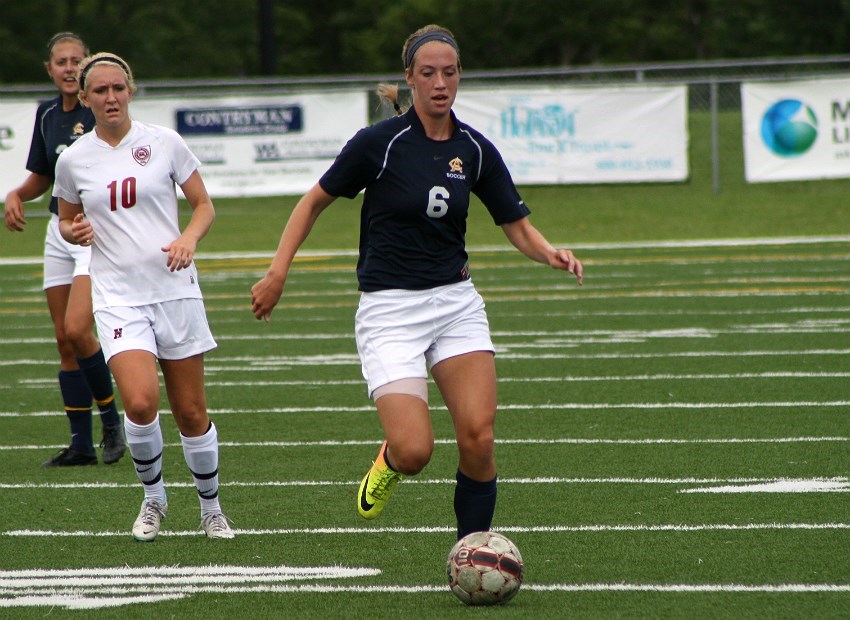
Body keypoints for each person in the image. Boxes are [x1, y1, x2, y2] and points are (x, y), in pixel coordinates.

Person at [251, 24, 583, 540]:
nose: (439, 83)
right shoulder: (378, 144)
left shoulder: (474, 149)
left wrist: (550, 253)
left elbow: (515, 224)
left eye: (448, 73)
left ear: (459, 77)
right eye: (427, 73)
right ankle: (388, 460)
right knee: (414, 451)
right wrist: (278, 272)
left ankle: (470, 551)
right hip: (390, 310)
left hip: (455, 304)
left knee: (478, 438)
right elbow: (312, 202)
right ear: (409, 78)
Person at [53, 52, 234, 541]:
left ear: (130, 90)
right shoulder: (73, 159)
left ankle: (211, 508)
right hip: (118, 296)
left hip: (174, 291)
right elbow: (65, 220)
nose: (110, 97)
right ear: (86, 98)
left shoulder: (164, 143)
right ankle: (154, 499)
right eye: (100, 91)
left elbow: (203, 205)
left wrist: (188, 239)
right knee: (138, 402)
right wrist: (75, 230)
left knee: (192, 411)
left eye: (118, 88)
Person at [3, 33, 126, 468]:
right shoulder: (46, 114)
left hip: (92, 234)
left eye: (78, 60)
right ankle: (81, 445)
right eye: (62, 62)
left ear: (88, 64)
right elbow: (42, 175)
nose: (70, 68)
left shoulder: (101, 109)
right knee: (63, 339)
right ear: (49, 69)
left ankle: (112, 420)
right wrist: (16, 194)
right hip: (59, 229)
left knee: (78, 329)